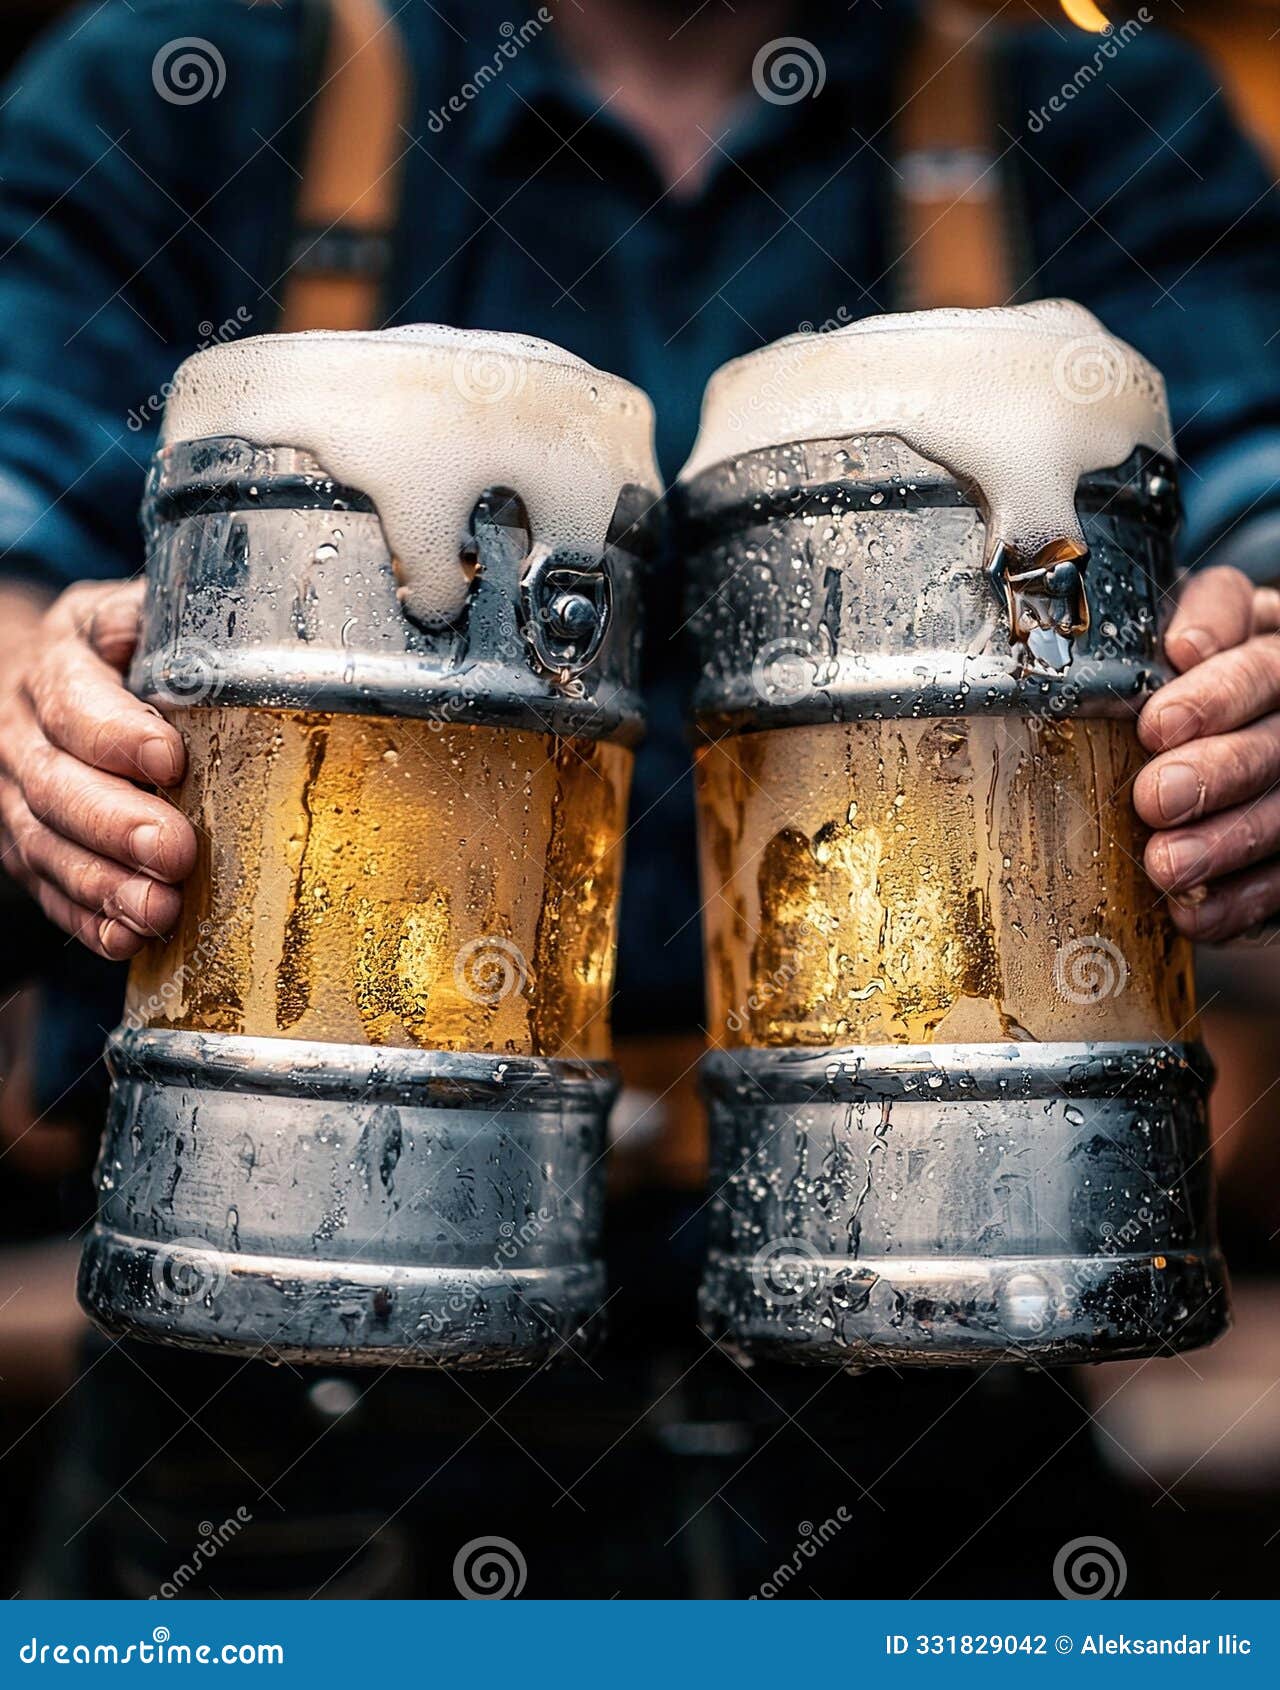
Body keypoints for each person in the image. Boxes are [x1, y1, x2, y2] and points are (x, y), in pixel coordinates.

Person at [1, 0, 1279, 1599]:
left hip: (941, 1377)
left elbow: (1257, 496)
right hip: (271, 1398)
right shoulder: (188, 80)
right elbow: (9, 524)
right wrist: (26, 702)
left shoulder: (1090, 105)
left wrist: (1256, 688)